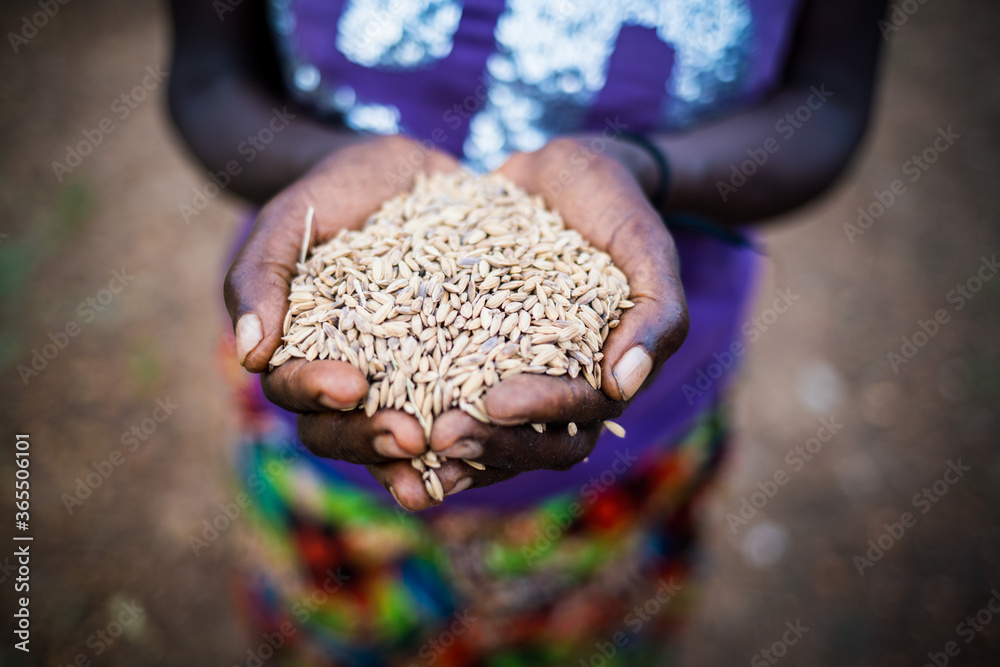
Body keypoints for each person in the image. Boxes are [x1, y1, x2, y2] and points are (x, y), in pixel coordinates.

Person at [168, 0, 884, 663]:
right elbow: (208, 78)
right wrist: (317, 164)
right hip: (320, 468)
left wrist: (647, 169)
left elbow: (828, 101)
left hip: (637, 445)